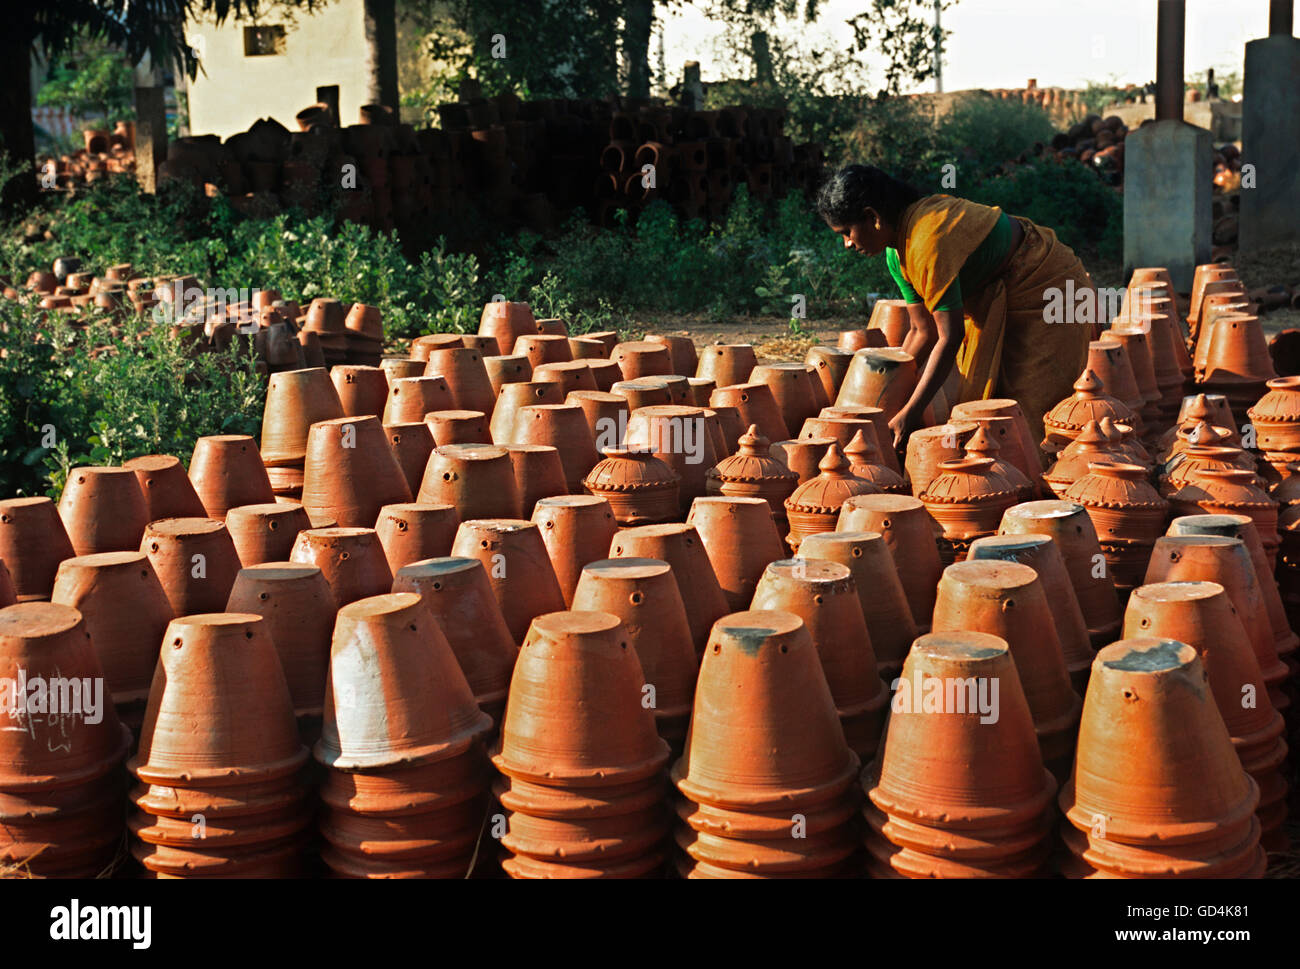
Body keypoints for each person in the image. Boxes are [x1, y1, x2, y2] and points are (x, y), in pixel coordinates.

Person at [816, 164, 1097, 453]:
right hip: (1002, 292)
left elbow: (948, 338)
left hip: (1052, 288)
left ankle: (1047, 487)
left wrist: (912, 412)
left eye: (847, 232)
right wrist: (888, 392)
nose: (847, 244)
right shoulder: (895, 253)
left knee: (1027, 412)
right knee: (987, 406)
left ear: (872, 217)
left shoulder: (927, 240)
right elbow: (921, 330)